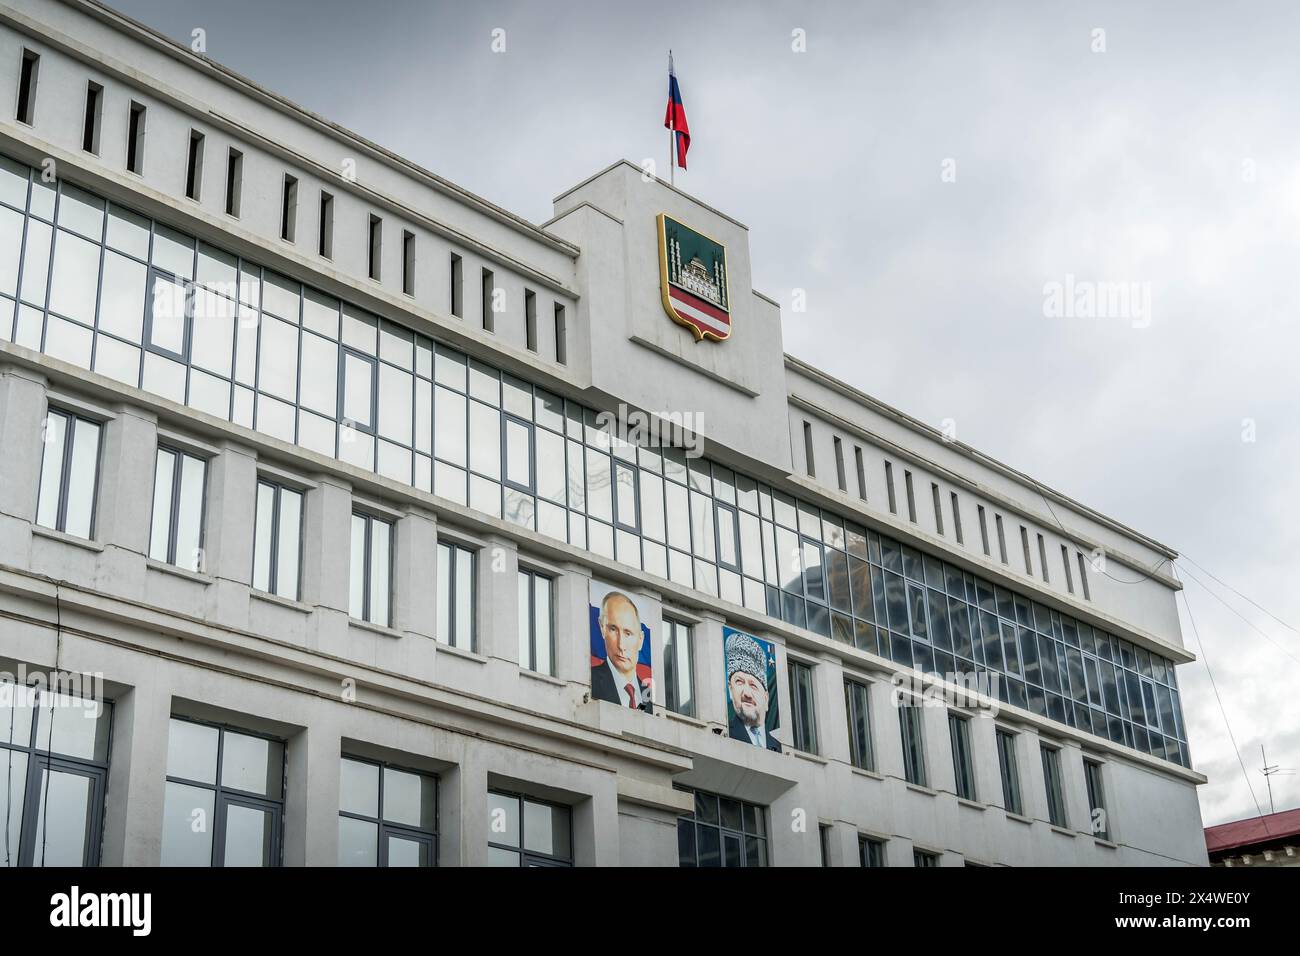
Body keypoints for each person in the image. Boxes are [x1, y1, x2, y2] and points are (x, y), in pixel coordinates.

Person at [591, 591, 652, 713]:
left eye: (628, 633)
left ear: (641, 640)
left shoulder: (647, 694)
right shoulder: (590, 679)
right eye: (613, 629)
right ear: (602, 628)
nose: (621, 645)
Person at [726, 631, 781, 751]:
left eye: (753, 685)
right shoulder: (725, 734)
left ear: (766, 699)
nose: (747, 693)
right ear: (730, 690)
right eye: (739, 682)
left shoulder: (778, 747)